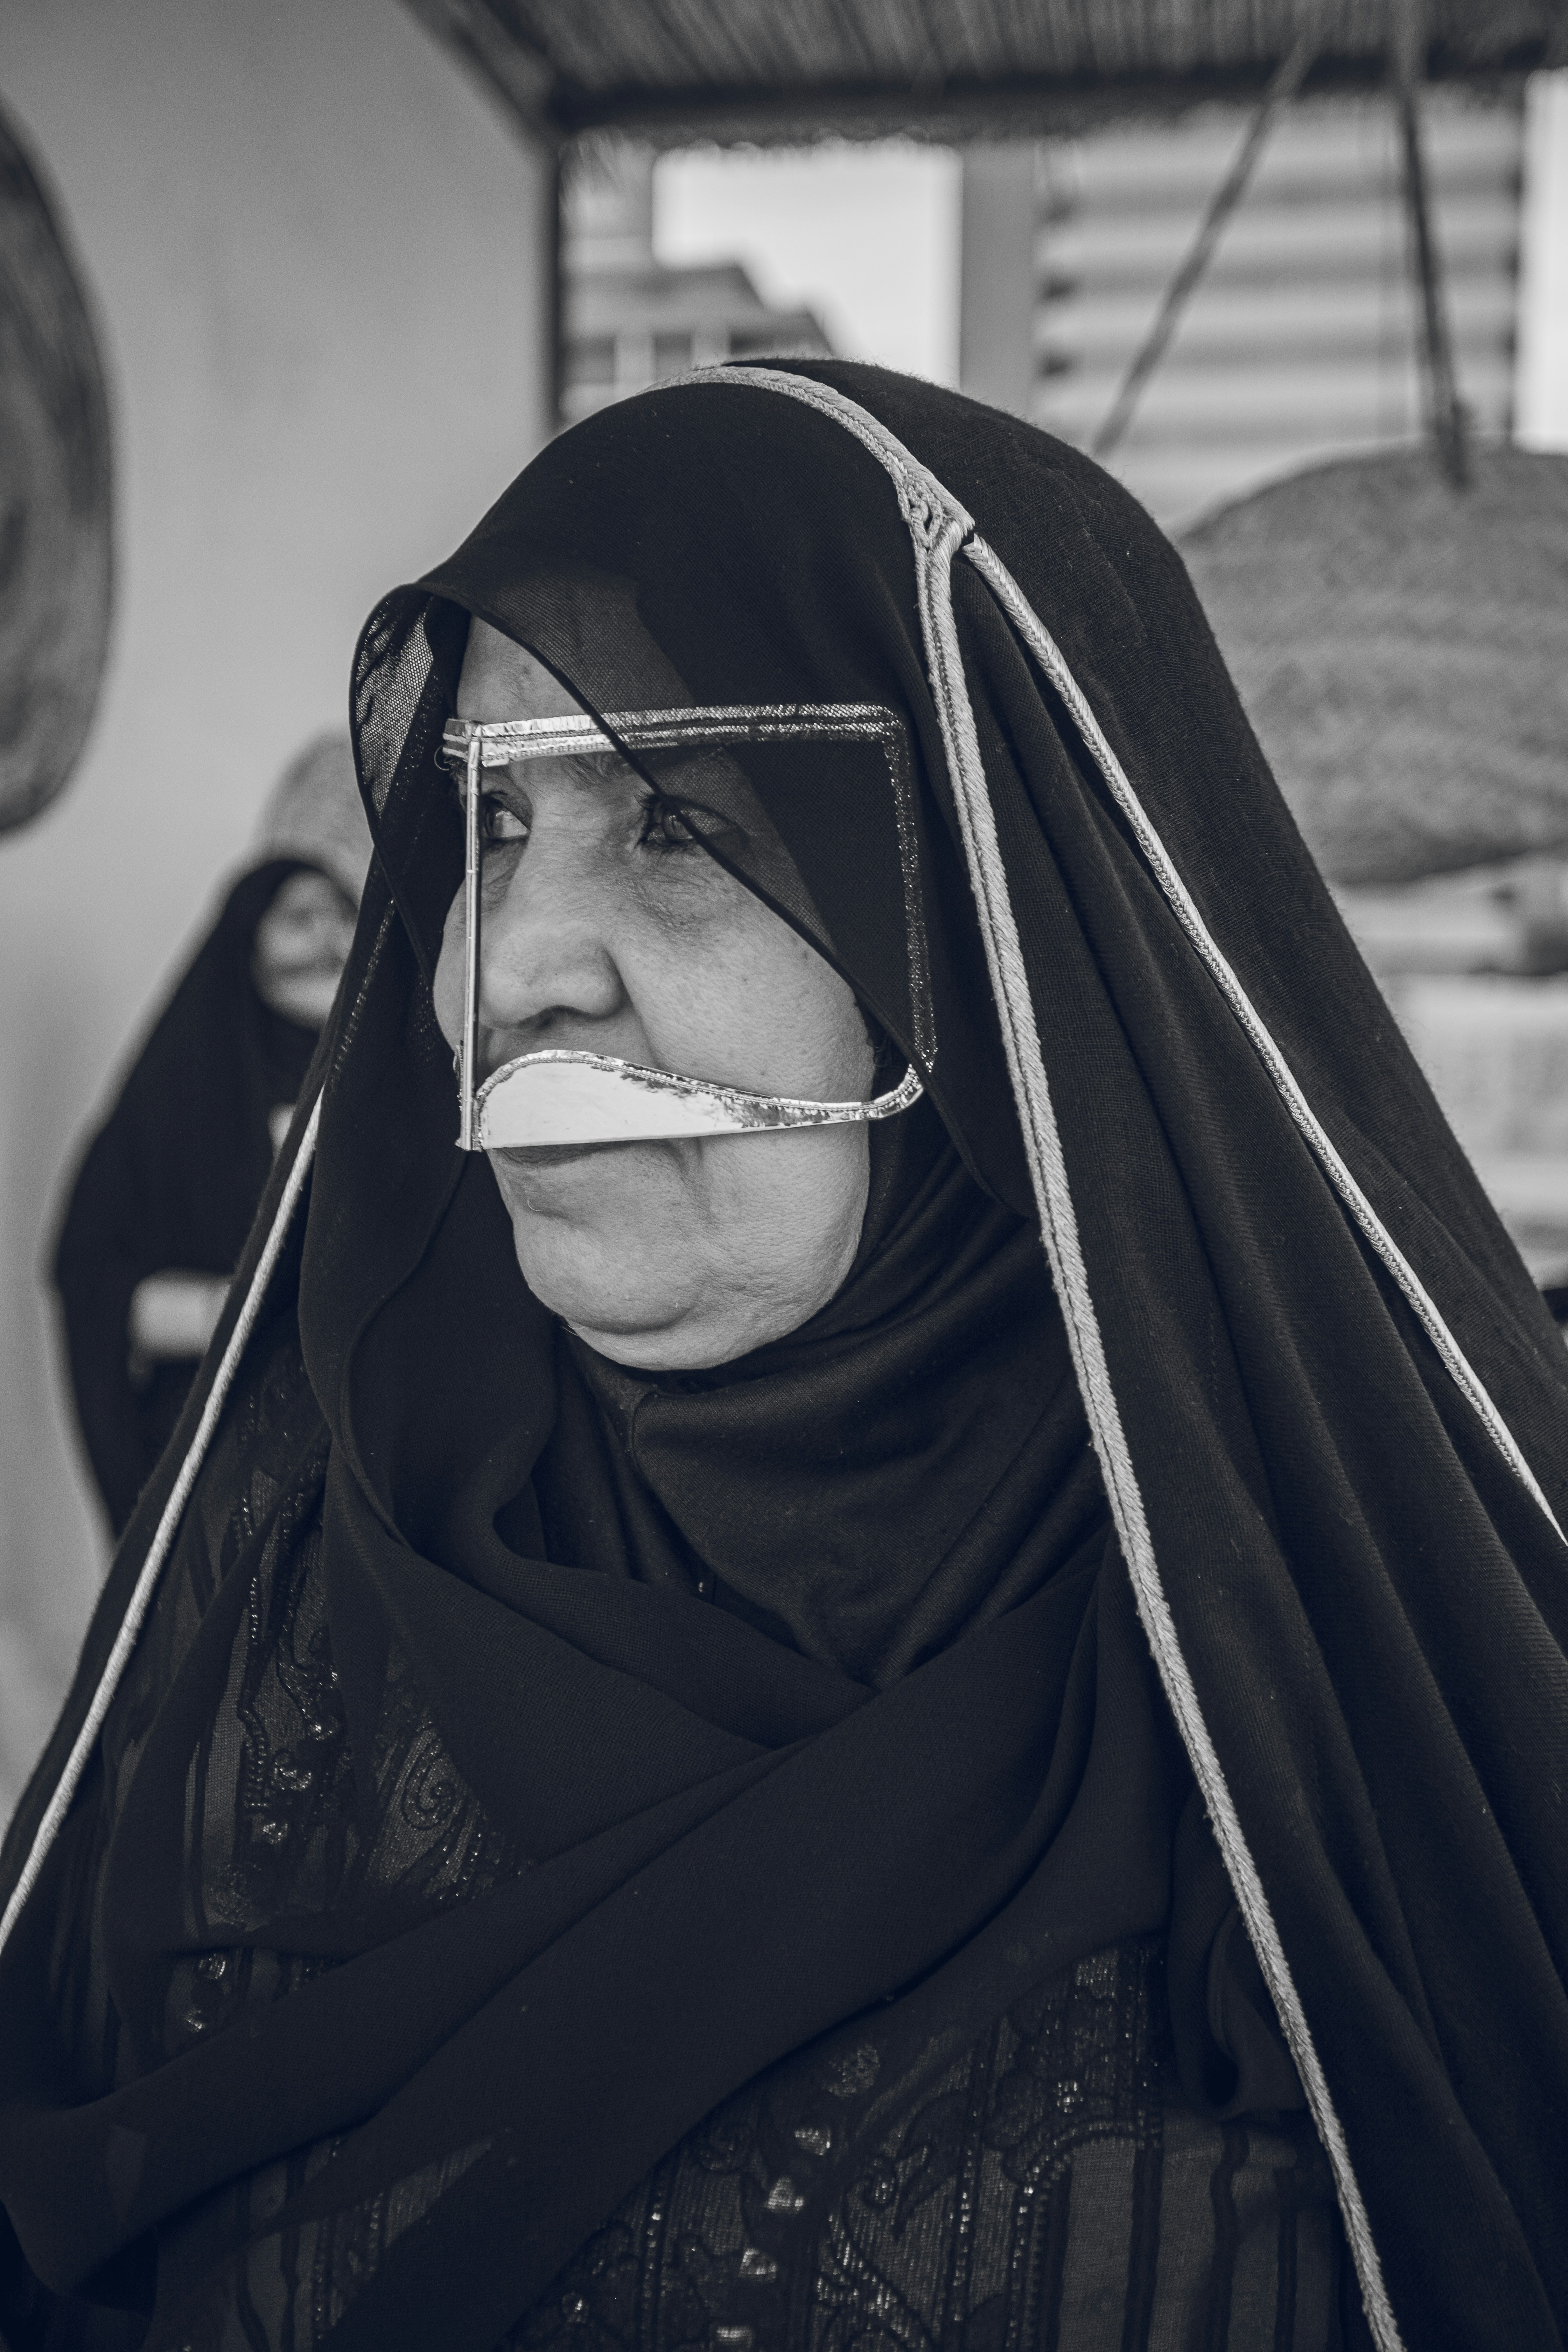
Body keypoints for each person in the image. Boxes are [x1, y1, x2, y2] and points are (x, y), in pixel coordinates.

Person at [1, 363, 1565, 2352]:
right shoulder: (302, 1564)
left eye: (675, 820)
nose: (508, 967)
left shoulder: (1329, 1688)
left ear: (995, 950)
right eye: (489, 824)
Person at [51, 737, 366, 1535]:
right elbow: (88, 1273)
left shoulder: (385, 1094)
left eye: (343, 917)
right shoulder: (173, 1108)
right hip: (210, 1459)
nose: (329, 939)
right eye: (298, 918)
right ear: (244, 946)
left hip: (356, 1454)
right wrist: (230, 1316)